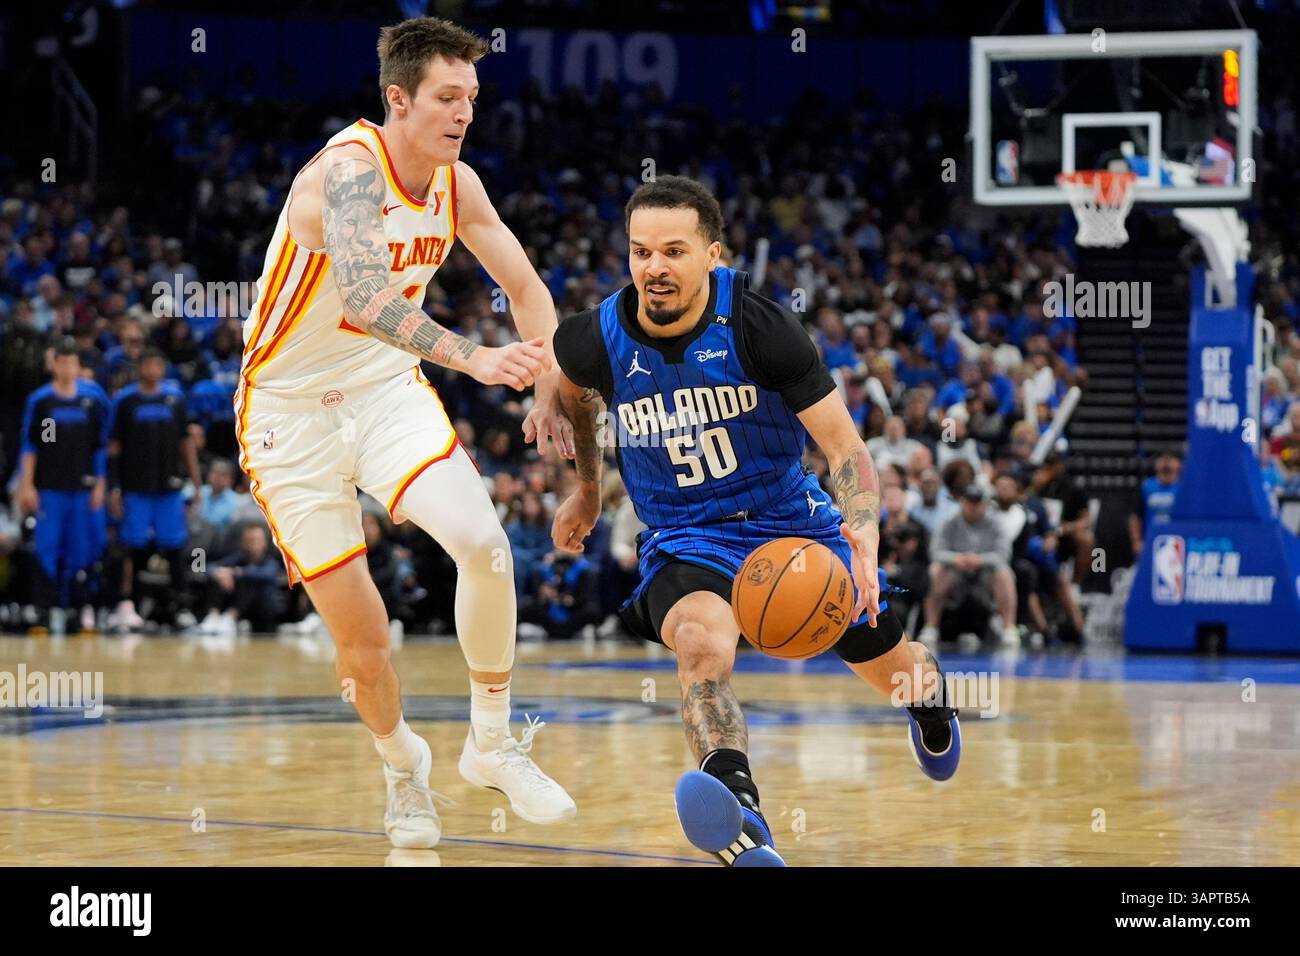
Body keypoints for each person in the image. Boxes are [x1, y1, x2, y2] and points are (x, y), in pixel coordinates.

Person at [548, 176, 961, 867]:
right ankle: (740, 815)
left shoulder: (761, 327)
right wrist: (588, 490)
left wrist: (862, 528)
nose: (655, 267)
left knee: (896, 673)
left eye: (673, 251)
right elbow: (572, 394)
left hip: (788, 525)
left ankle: (929, 705)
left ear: (711, 254)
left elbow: (844, 447)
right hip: (686, 537)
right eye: (641, 251)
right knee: (699, 647)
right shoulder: (596, 337)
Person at [232, 17, 574, 849]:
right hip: (287, 413)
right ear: (398, 98)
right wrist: (477, 359)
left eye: (473, 98)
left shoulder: (459, 186)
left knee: (485, 546)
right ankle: (401, 767)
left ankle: (490, 744)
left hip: (383, 391)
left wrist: (552, 383)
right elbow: (367, 300)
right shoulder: (348, 175)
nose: (465, 113)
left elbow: (527, 288)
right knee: (366, 647)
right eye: (447, 97)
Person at [15, 340, 110, 633]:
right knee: (46, 548)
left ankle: (76, 614)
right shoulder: (41, 401)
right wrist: (27, 484)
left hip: (83, 489)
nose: (67, 368)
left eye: (72, 363)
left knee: (80, 551)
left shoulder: (93, 400)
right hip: (49, 489)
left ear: (78, 366)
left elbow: (101, 447)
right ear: (53, 365)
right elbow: (30, 446)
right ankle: (43, 614)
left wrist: (100, 484)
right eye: (62, 363)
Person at [107, 347, 202, 630]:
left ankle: (180, 608)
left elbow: (186, 443)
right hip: (135, 487)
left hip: (169, 487)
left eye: (157, 364)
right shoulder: (125, 401)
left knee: (174, 548)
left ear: (163, 367)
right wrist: (113, 486)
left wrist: (196, 482)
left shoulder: (175, 399)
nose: (152, 369)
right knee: (134, 548)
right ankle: (131, 607)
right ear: (139, 368)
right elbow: (114, 447)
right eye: (147, 364)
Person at [921, 484, 1019, 648]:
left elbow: (1004, 554)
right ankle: (931, 626)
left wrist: (979, 560)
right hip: (956, 573)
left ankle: (1009, 627)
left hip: (985, 573)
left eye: (978, 503)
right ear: (962, 503)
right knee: (935, 570)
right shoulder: (948, 522)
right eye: (970, 503)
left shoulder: (996, 523)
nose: (973, 508)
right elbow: (935, 552)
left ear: (985, 505)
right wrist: (957, 559)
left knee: (1004, 573)